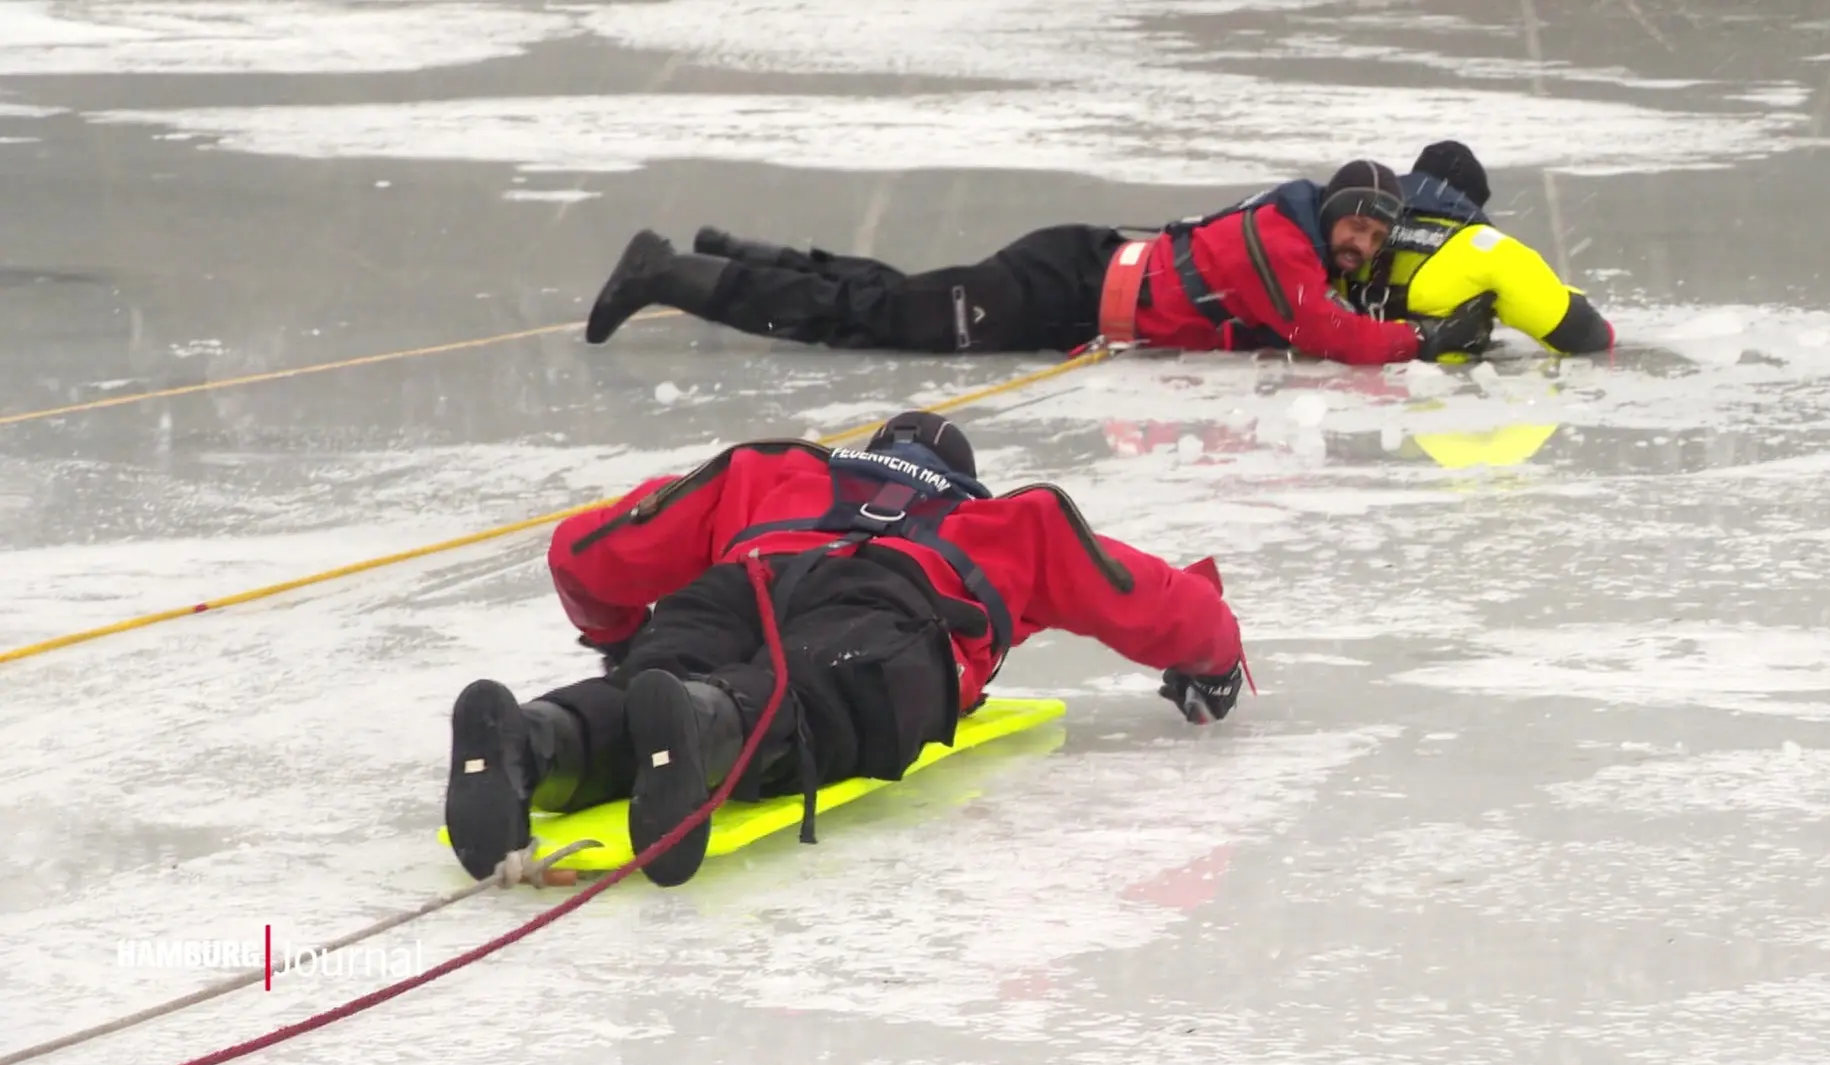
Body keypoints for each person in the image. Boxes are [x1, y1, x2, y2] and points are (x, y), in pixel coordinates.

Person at [442, 411, 1249, 889]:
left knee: (661, 674)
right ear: (961, 479)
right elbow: (1158, 601)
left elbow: (586, 552)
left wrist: (622, 641)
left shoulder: (770, 472)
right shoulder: (1010, 521)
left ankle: (538, 739)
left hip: (745, 576)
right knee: (838, 692)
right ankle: (708, 726)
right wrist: (1214, 669)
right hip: (892, 600)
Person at [581, 160, 1495, 367]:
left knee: (894, 296)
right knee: (881, 317)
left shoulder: (1290, 232)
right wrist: (1419, 343)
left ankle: (736, 255)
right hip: (1068, 284)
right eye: (1358, 229)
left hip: (1079, 283)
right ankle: (667, 273)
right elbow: (1326, 332)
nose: (1361, 246)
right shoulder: (1282, 243)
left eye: (1376, 239)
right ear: (1330, 212)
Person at [1346, 140, 1614, 357]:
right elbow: (1585, 335)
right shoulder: (1488, 252)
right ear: (1470, 202)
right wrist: (1564, 293)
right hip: (1443, 410)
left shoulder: (1350, 232)